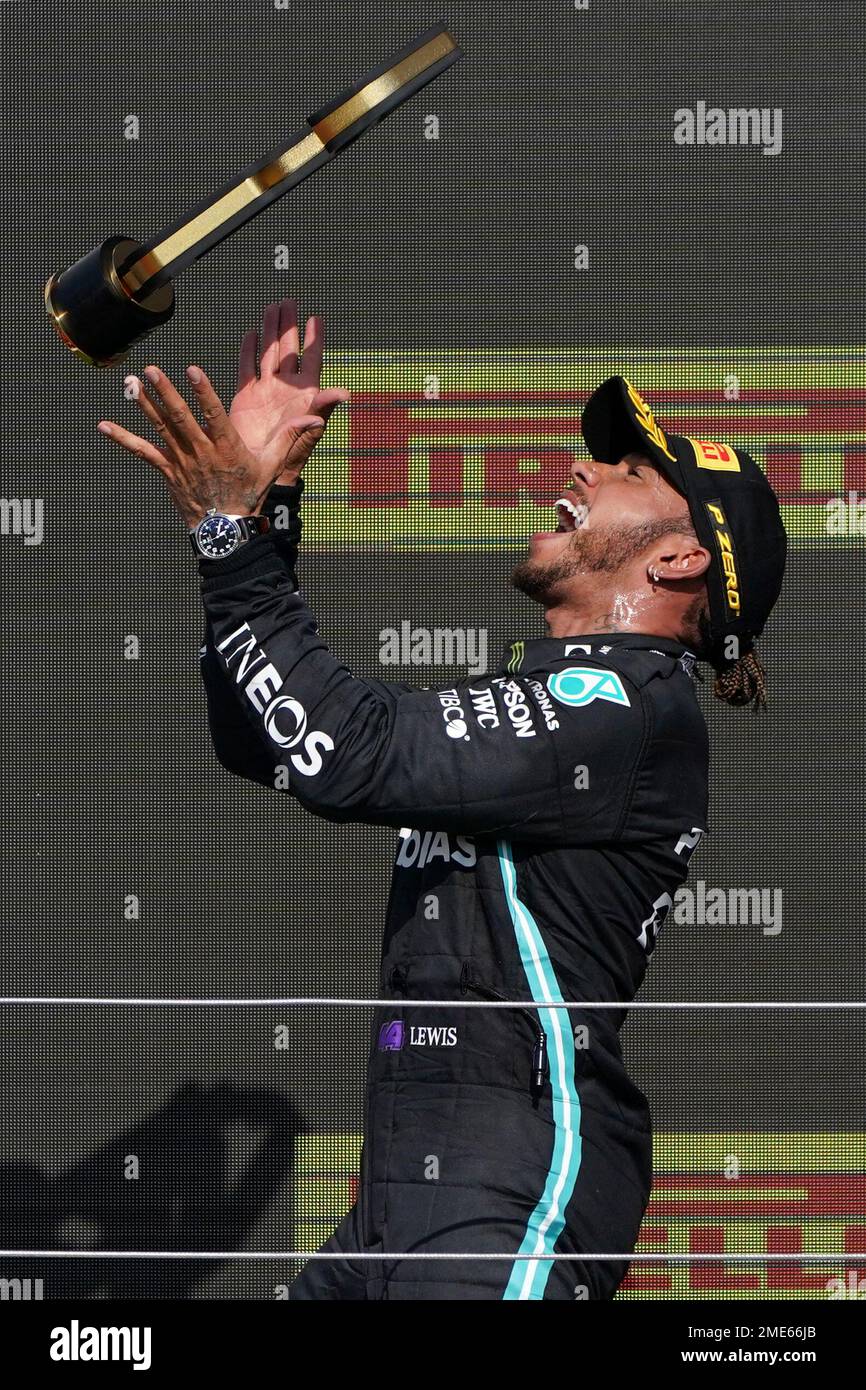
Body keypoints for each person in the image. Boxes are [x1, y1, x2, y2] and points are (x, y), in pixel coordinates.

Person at [97, 300, 787, 1301]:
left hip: (511, 1189)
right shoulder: (571, 695)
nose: (583, 468)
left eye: (629, 471)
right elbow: (272, 740)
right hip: (399, 1197)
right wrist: (268, 502)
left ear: (679, 558)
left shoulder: (625, 707)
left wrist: (229, 528)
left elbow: (344, 754)